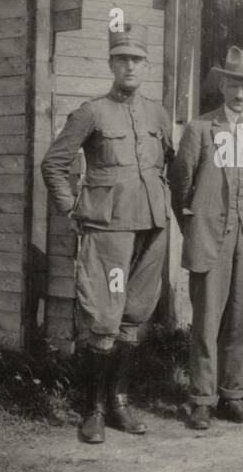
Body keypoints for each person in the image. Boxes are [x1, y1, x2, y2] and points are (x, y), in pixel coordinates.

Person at [41, 23, 173, 444]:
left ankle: (119, 403)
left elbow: (166, 165)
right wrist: (73, 209)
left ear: (147, 65)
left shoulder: (158, 113)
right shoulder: (91, 112)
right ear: (111, 64)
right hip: (108, 229)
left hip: (152, 228)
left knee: (134, 317)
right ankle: (92, 409)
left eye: (137, 59)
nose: (130, 66)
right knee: (104, 319)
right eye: (122, 59)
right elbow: (53, 165)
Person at [170, 47, 243, 429]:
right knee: (206, 320)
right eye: (234, 83)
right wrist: (195, 223)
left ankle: (233, 395)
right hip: (211, 235)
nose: (240, 93)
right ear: (221, 84)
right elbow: (180, 184)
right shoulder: (201, 130)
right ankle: (202, 399)